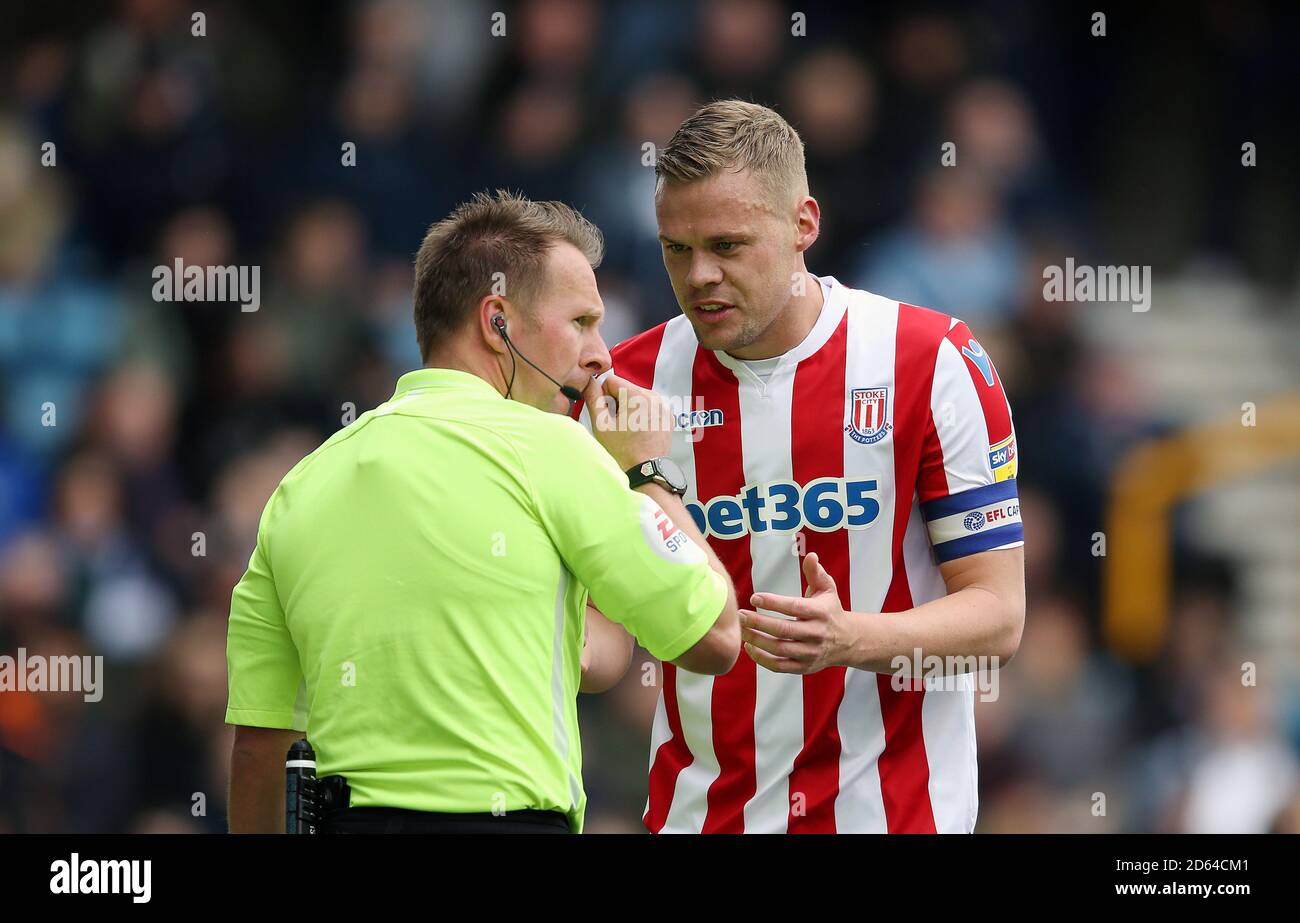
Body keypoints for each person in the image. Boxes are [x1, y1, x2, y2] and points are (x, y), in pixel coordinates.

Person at [225, 191, 740, 834]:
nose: (602, 354)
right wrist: (646, 473)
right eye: (581, 322)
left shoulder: (298, 488)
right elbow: (716, 636)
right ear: (497, 322)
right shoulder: (553, 449)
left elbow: (258, 750)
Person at [584, 101, 1025, 833]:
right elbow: (603, 643)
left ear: (803, 224)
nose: (700, 276)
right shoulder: (623, 390)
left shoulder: (930, 363)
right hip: (699, 817)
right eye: (675, 249)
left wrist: (850, 638)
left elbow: (999, 616)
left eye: (728, 244)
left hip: (895, 816)